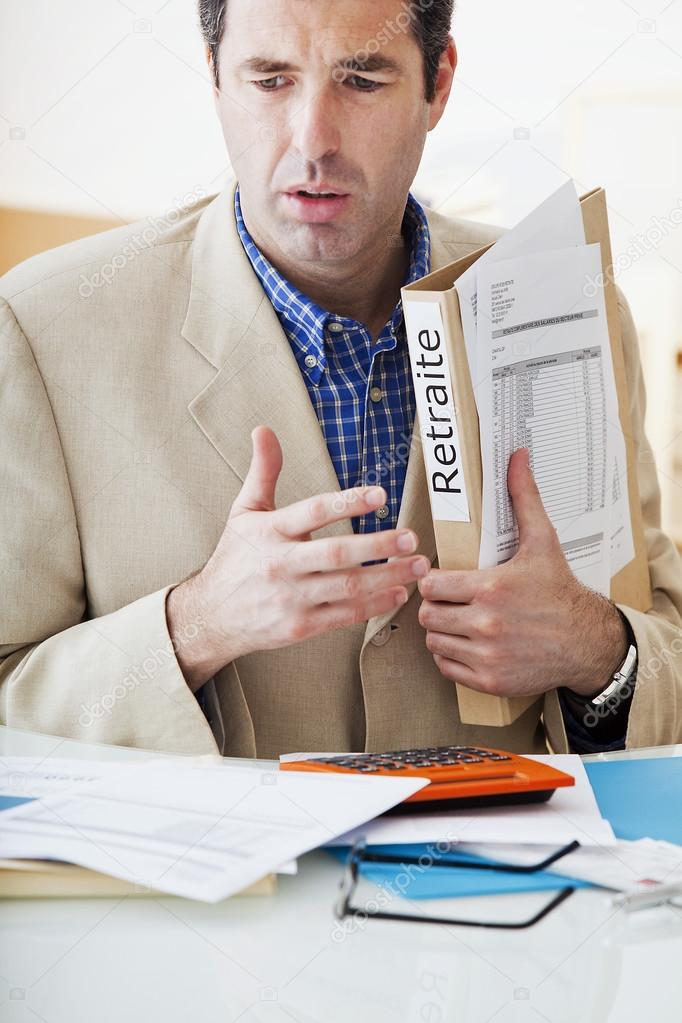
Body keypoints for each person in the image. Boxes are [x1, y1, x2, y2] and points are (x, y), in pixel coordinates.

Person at [2, 0, 681, 758]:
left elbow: (666, 647)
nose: (312, 141)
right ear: (215, 80)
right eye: (269, 80)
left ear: (439, 83)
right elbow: (8, 699)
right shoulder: (42, 327)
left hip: (519, 873)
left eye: (361, 79)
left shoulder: (570, 293)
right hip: (230, 878)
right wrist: (195, 624)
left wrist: (595, 648)